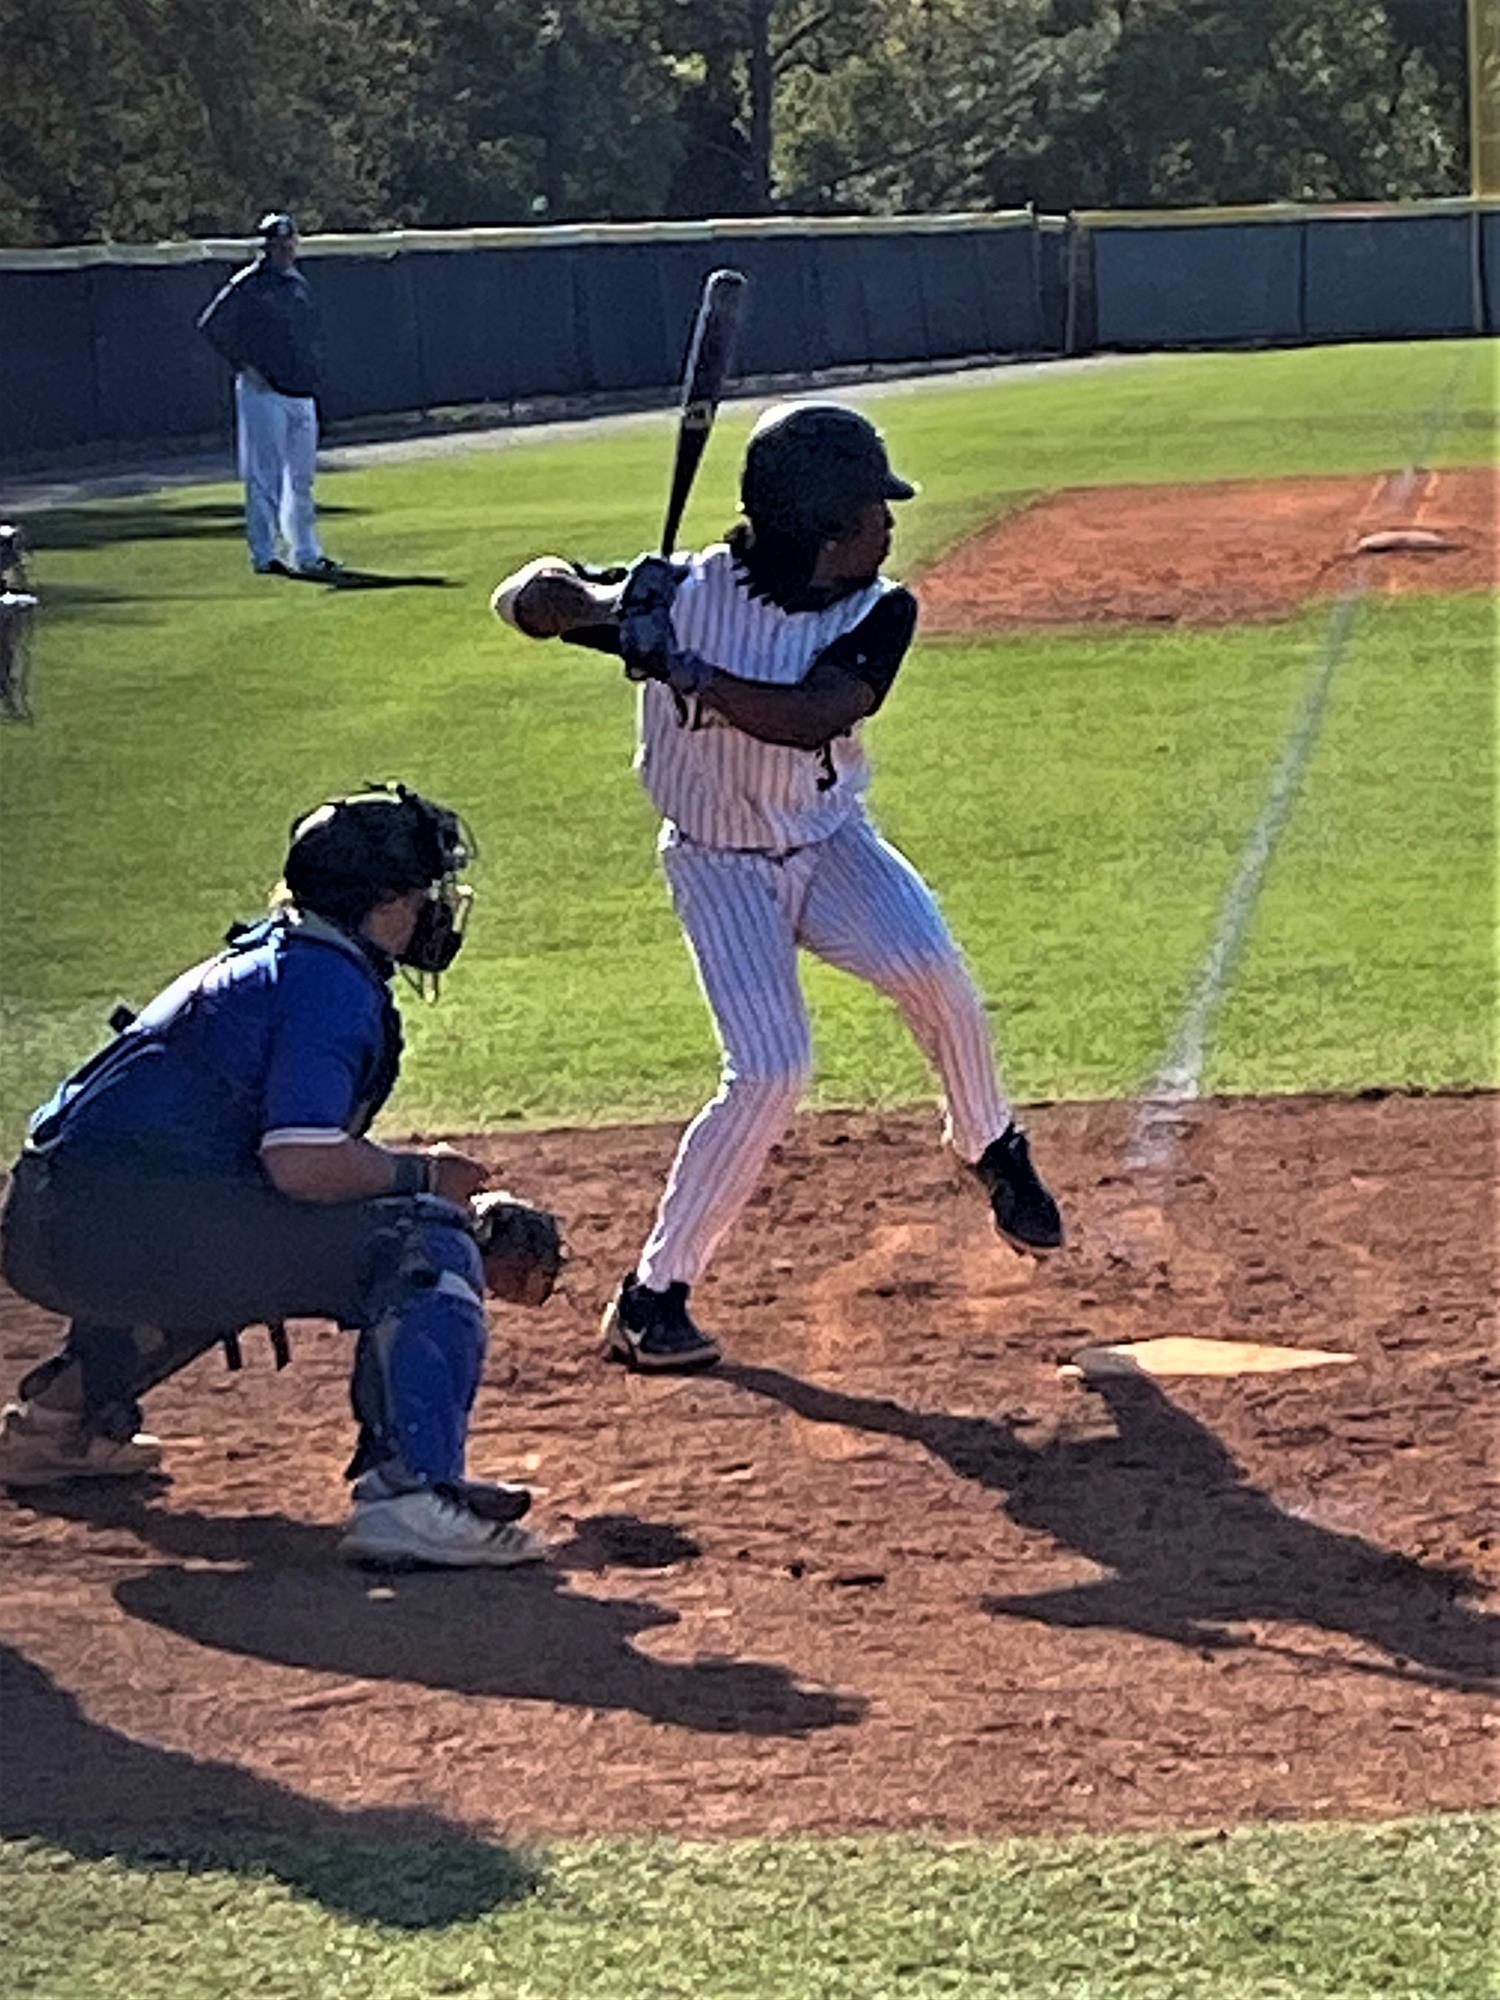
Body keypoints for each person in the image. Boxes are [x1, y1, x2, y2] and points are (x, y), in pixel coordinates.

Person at [490, 400, 1064, 1373]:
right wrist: (602, 606)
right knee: (768, 1070)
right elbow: (519, 600)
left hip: (831, 841)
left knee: (932, 966)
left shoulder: (880, 607)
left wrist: (683, 666)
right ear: (822, 528)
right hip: (718, 864)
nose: (891, 524)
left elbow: (810, 715)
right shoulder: (679, 593)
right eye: (874, 510)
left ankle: (989, 1144)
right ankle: (652, 1296)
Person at [0, 783, 546, 1569]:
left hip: (51, 1225)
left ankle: (56, 1424)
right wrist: (423, 1178)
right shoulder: (328, 985)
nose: (434, 912)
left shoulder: (282, 958)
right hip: (114, 1233)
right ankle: (410, 1497)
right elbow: (300, 1163)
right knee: (421, 1240)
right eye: (422, 894)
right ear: (381, 902)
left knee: (236, 1232)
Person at [197, 212, 342, 581]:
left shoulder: (297, 284)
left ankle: (307, 551)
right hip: (264, 392)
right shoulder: (249, 284)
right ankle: (265, 553)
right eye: (276, 244)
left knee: (302, 479)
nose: (283, 250)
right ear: (265, 247)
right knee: (265, 476)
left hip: (300, 389)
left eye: (288, 243)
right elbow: (212, 325)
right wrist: (245, 366)